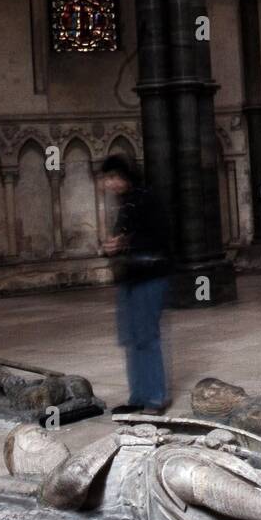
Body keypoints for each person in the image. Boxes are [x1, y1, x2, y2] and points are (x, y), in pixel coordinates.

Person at [101, 155, 172, 416]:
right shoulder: (127, 203)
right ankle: (138, 396)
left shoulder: (147, 199)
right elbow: (122, 238)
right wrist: (111, 247)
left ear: (126, 176)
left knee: (147, 337)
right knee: (131, 338)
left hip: (150, 275)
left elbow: (161, 237)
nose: (109, 183)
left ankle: (155, 397)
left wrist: (125, 243)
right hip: (130, 275)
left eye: (113, 177)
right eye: (107, 178)